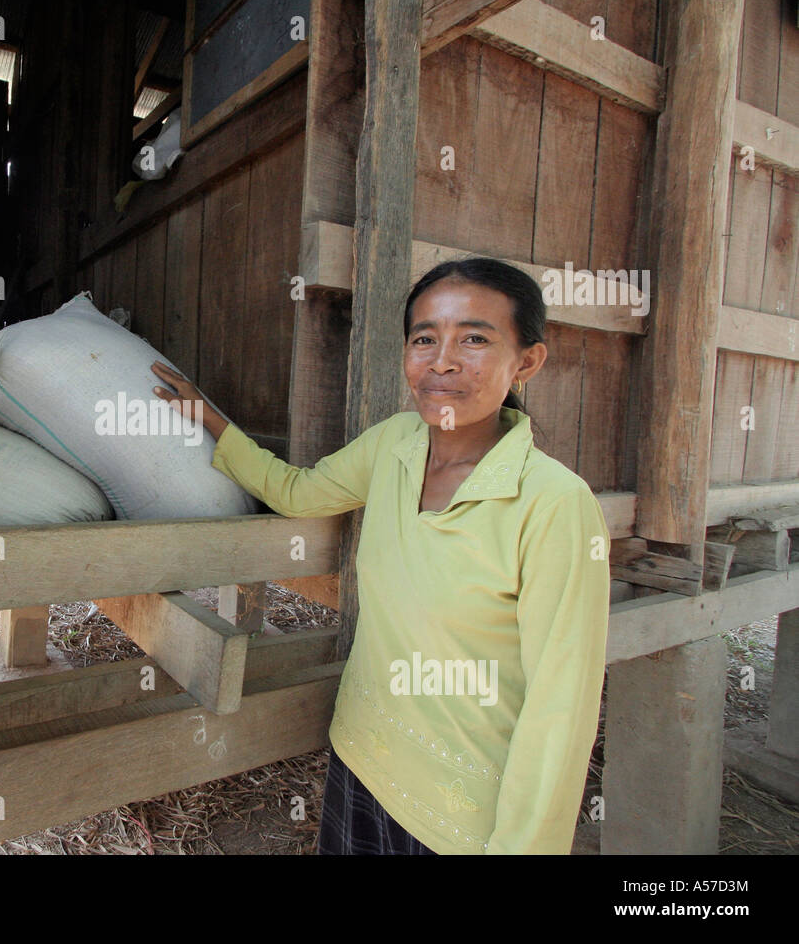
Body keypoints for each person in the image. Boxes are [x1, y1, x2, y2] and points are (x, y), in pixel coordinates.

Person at [152, 258, 611, 854]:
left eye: (474, 338)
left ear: (527, 361)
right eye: (425, 339)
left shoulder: (554, 503)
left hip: (459, 818)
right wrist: (207, 418)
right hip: (362, 761)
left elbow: (562, 710)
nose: (442, 360)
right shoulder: (395, 443)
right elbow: (297, 491)